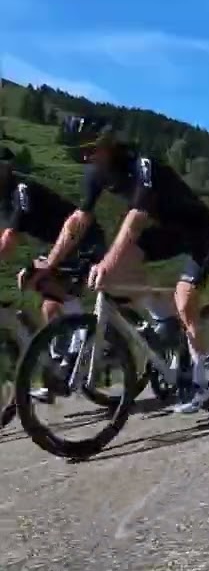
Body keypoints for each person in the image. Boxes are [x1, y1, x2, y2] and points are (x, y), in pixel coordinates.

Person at [71, 121, 209, 414]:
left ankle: (202, 381)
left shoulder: (142, 165)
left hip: (199, 231)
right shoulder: (95, 173)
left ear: (109, 144)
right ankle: (163, 320)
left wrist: (108, 260)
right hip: (167, 233)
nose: (87, 157)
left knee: (185, 297)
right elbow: (78, 219)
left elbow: (137, 216)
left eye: (92, 150)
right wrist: (54, 263)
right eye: (82, 152)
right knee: (117, 273)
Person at [0, 159, 108, 402]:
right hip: (61, 248)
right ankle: (57, 372)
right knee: (49, 307)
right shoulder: (3, 201)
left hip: (83, 242)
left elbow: (7, 241)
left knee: (44, 282)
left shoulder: (21, 191)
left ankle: (82, 340)